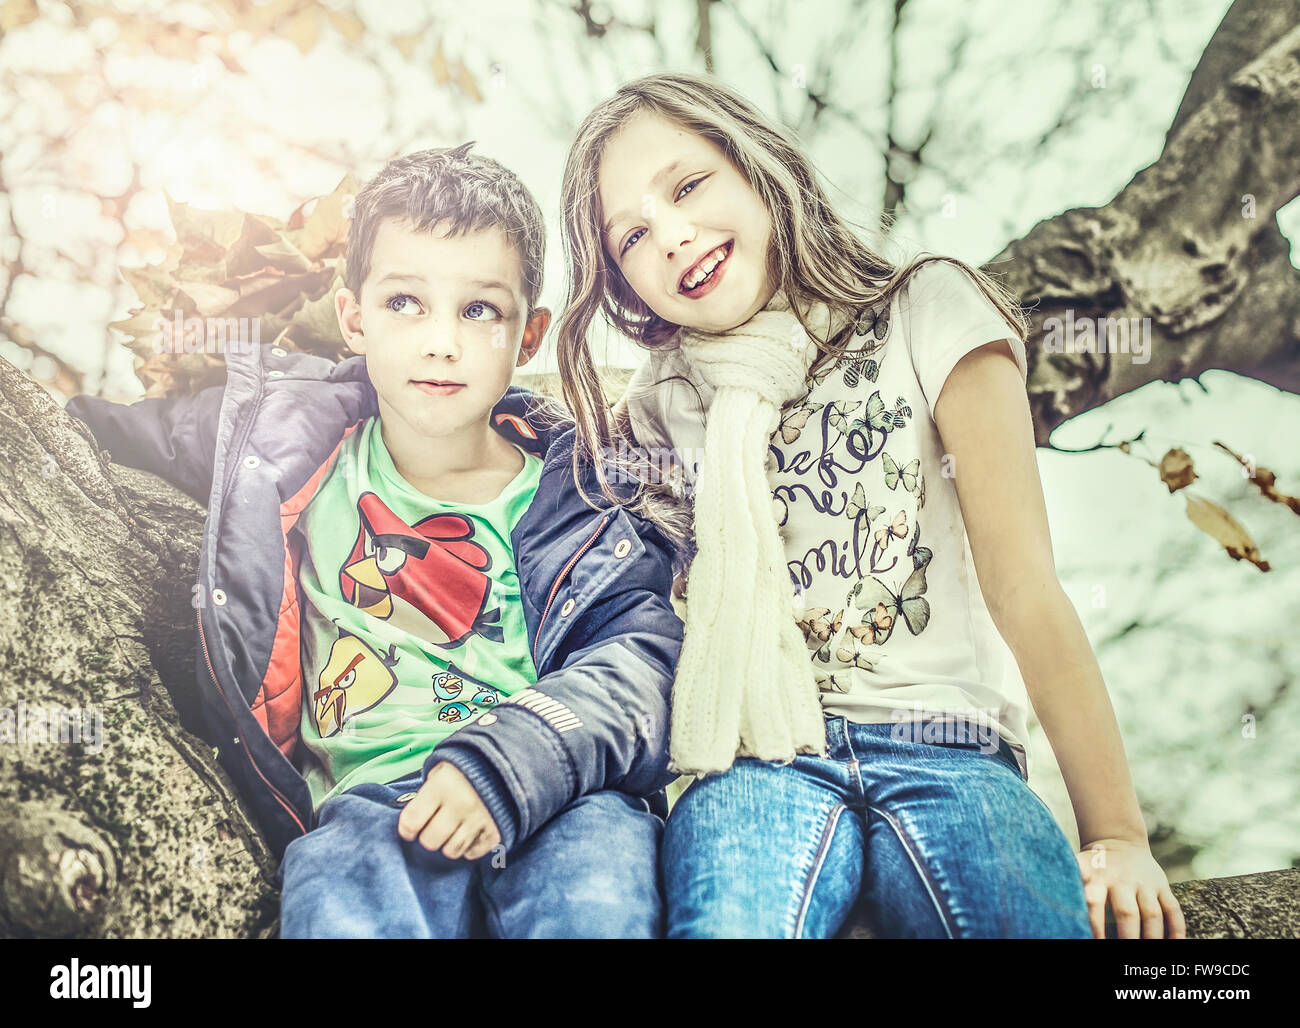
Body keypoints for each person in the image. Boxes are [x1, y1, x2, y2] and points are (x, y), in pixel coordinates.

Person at [551, 71, 1185, 939]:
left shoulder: (930, 307)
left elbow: (1024, 586)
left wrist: (1117, 833)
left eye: (689, 185)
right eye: (632, 236)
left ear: (758, 166)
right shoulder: (661, 404)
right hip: (756, 761)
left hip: (952, 751)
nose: (674, 235)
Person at [67, 143, 682, 938]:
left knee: (597, 909)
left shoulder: (583, 492)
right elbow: (87, 431)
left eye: (478, 310)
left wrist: (516, 758)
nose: (440, 340)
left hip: (557, 795)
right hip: (367, 808)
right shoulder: (275, 441)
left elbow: (641, 662)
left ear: (527, 337)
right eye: (405, 303)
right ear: (353, 318)